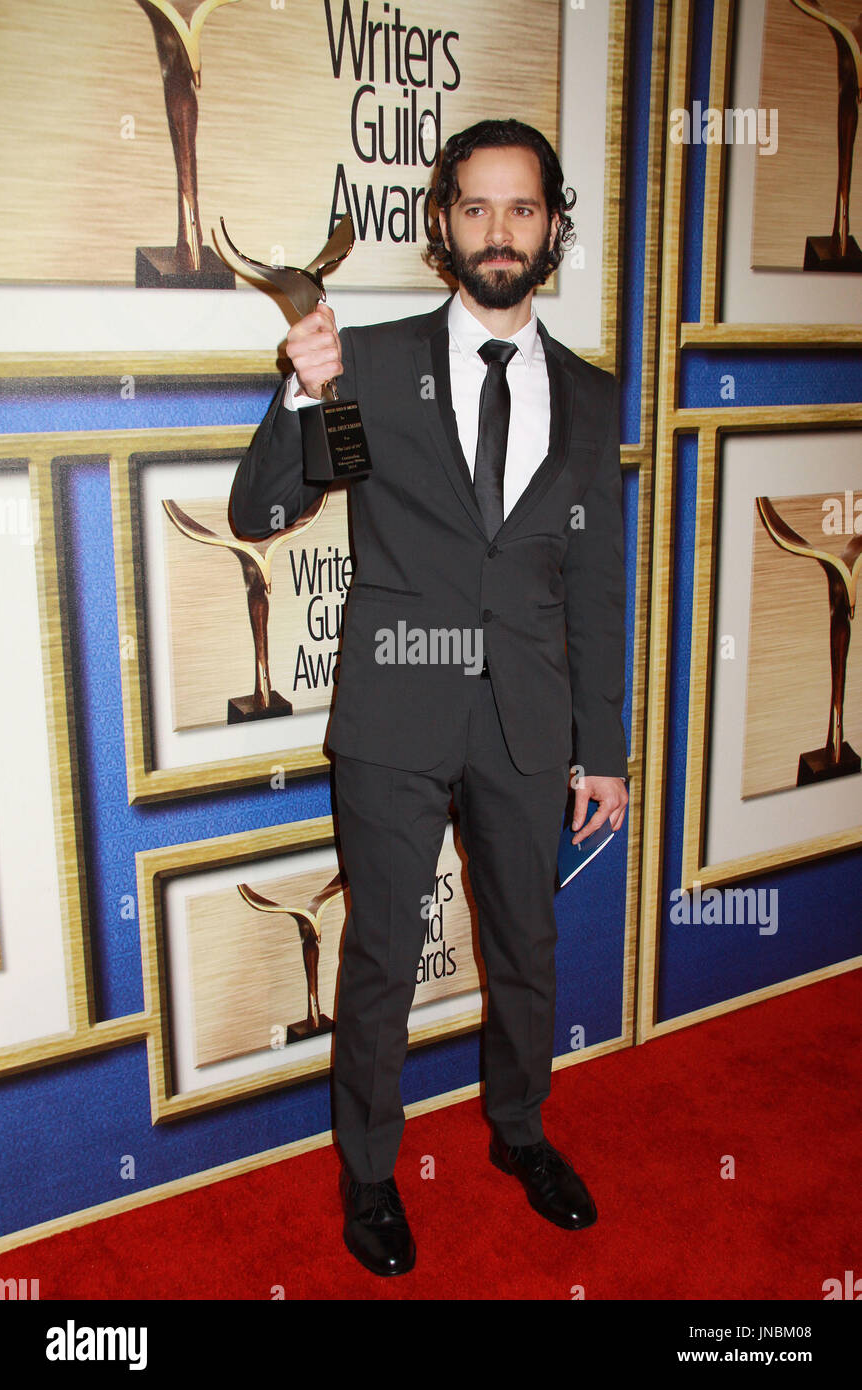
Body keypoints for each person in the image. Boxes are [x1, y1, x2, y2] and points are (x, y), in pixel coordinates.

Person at [229, 118, 629, 1278]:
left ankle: (517, 1133)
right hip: (394, 720)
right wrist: (299, 389)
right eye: (474, 207)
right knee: (378, 963)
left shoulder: (591, 396)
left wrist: (597, 743)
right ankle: (367, 1172)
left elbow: (594, 577)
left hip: (527, 723)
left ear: (553, 224)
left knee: (528, 948)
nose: (497, 231)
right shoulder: (376, 367)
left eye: (520, 207)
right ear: (440, 226)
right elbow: (265, 512)